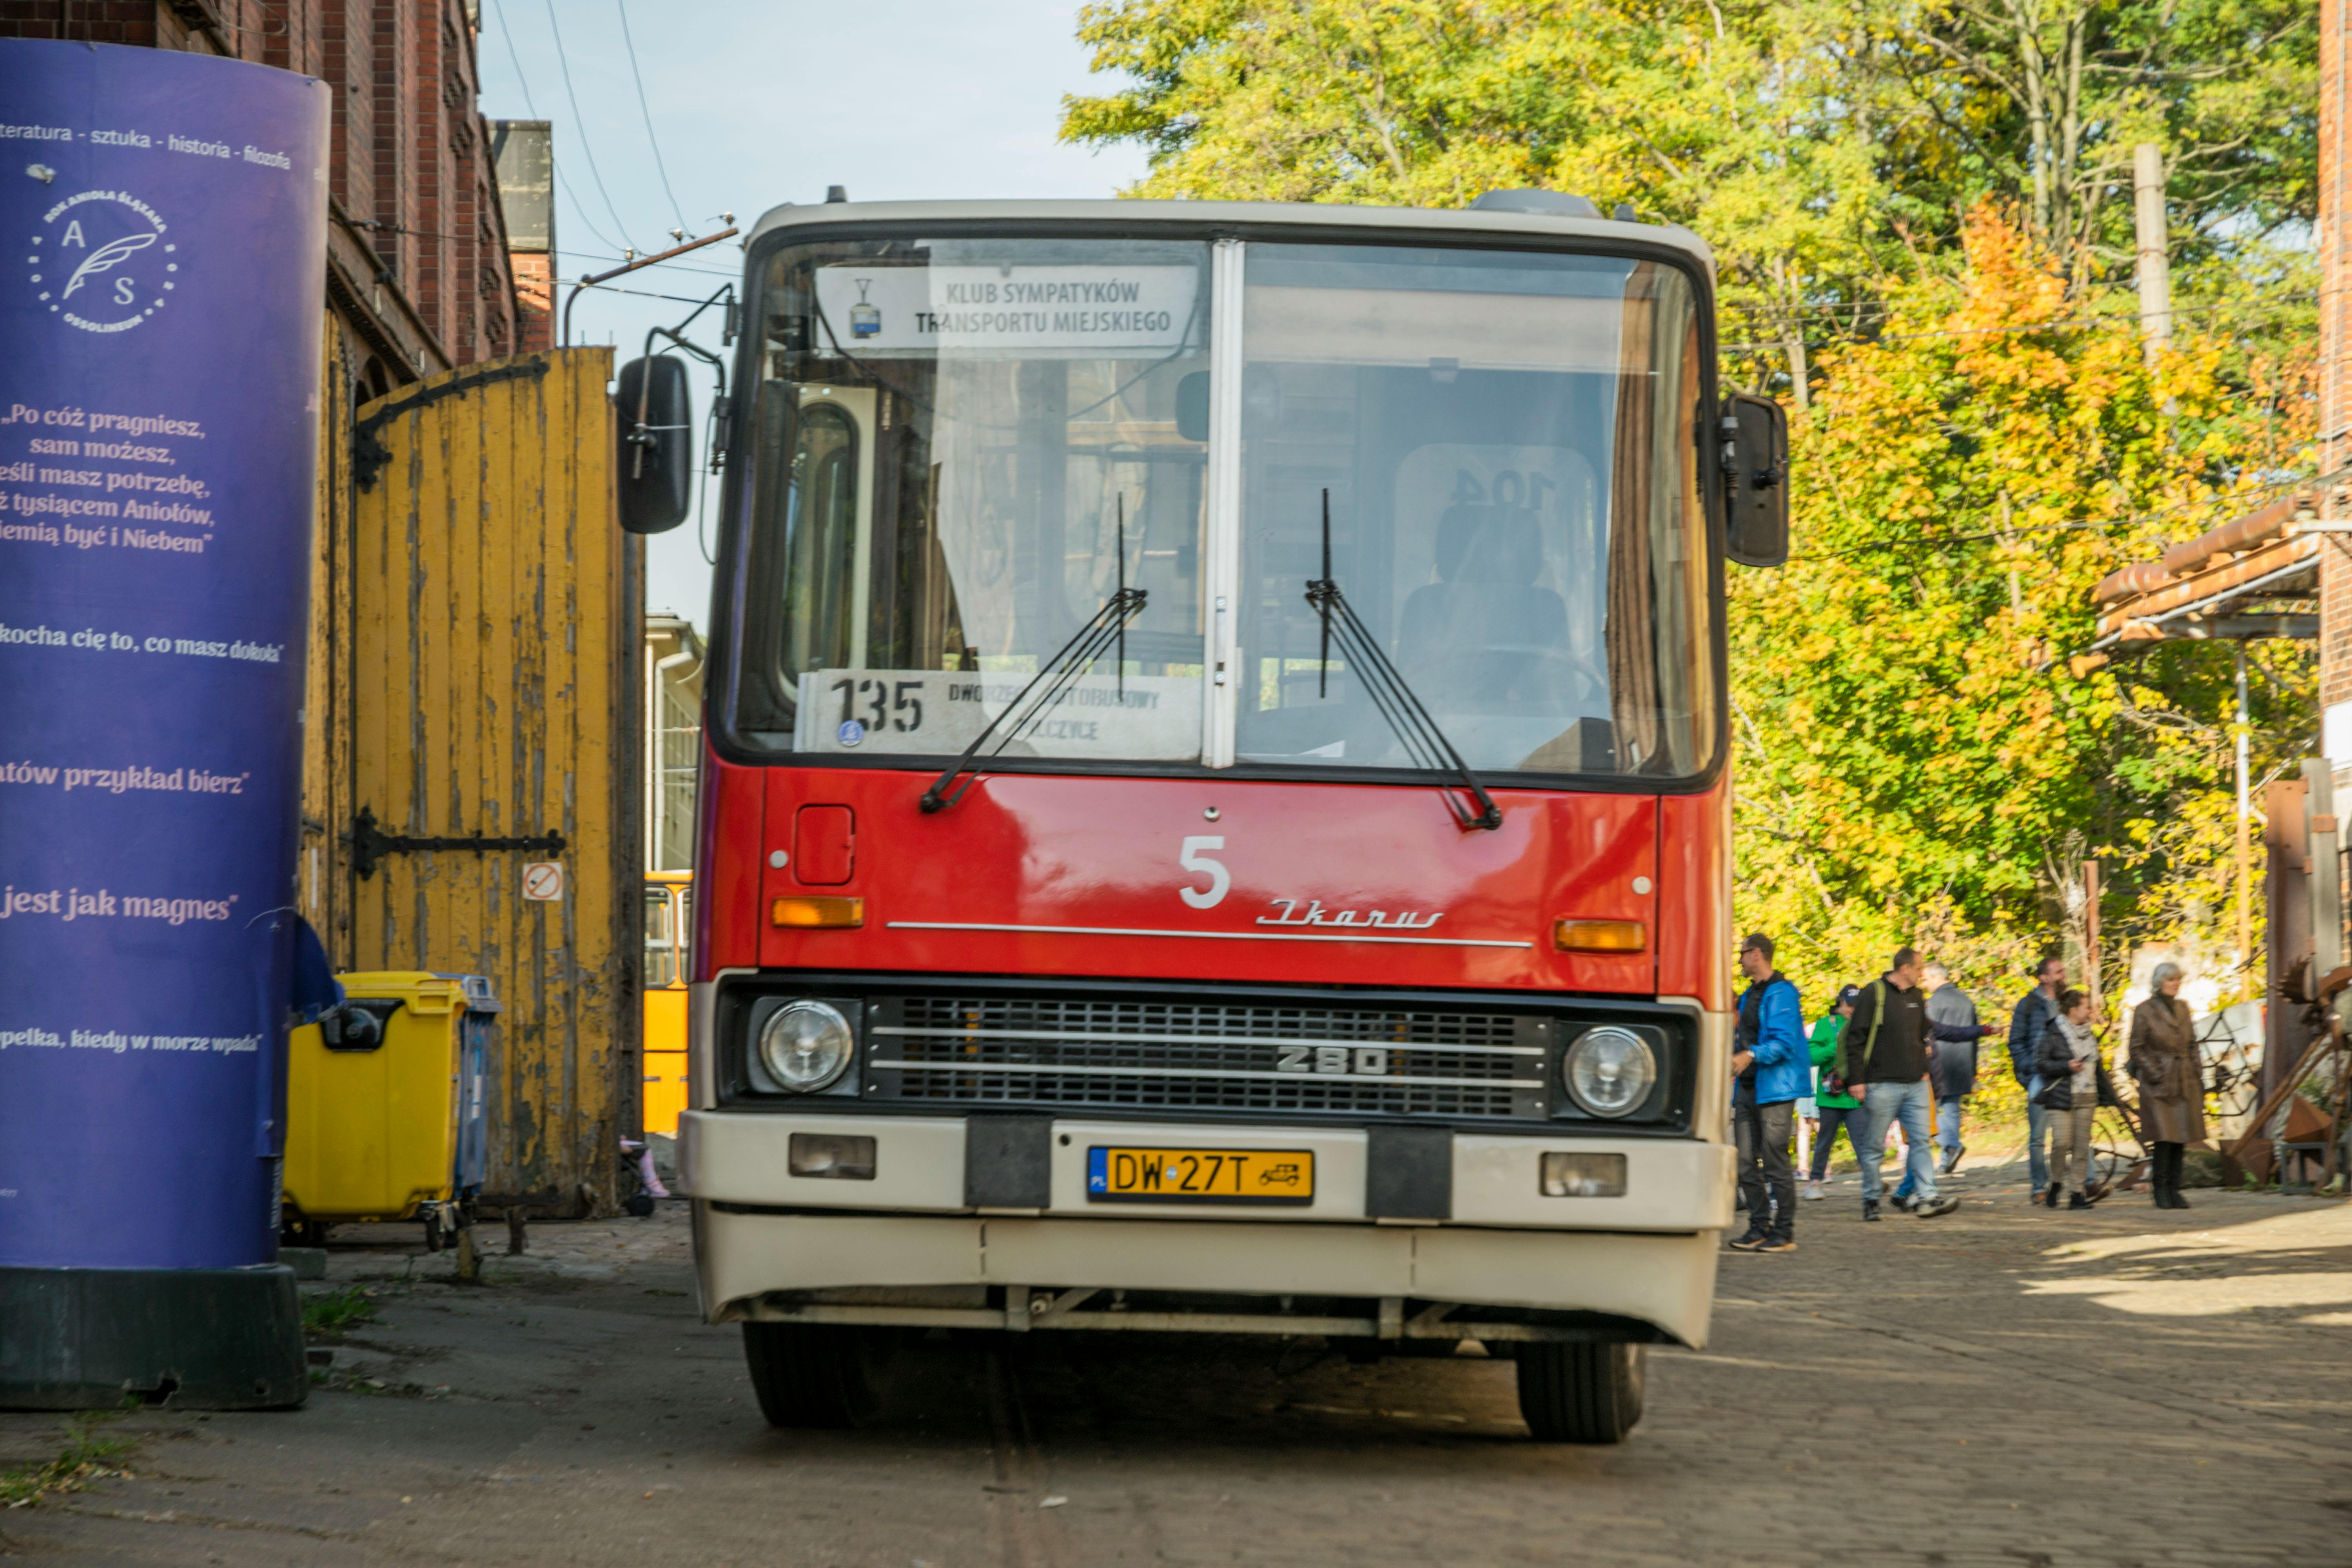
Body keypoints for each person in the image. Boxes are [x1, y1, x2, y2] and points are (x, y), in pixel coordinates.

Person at [1842, 947, 1960, 1221]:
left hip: (1916, 1085)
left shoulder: (1918, 996)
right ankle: (1871, 1199)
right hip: (1881, 1085)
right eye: (1919, 969)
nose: (1922, 974)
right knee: (1874, 1148)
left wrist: (1924, 1070)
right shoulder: (1874, 993)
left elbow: (1923, 1036)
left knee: (1920, 1141)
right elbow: (1856, 1038)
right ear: (1905, 969)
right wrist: (1856, 1080)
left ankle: (1928, 1198)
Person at [1728, 933, 1807, 1252]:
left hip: (1776, 1089)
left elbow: (1785, 1043)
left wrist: (1752, 1055)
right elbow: (1743, 1037)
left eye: (1743, 954)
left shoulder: (1783, 993)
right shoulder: (1749, 996)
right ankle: (1759, 1227)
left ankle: (1784, 1232)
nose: (1741, 960)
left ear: (1757, 954)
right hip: (1747, 1088)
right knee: (1745, 1163)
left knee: (1775, 1162)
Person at [2128, 961, 2207, 1210]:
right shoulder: (2144, 1010)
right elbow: (2136, 1049)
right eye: (2171, 980)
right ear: (2159, 982)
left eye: (2178, 980)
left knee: (2181, 1137)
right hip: (2159, 1082)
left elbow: (2193, 1043)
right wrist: (2156, 1073)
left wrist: (2197, 1070)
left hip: (2184, 1078)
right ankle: (2160, 1189)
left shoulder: (2184, 1008)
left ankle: (2175, 1189)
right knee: (2164, 1138)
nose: (2176, 984)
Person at [2034, 988, 2102, 1209]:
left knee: (2082, 1148)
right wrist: (2066, 1066)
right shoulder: (2053, 1032)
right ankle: (2055, 1183)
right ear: (2074, 1010)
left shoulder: (2090, 1034)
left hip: (2087, 1095)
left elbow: (2097, 1067)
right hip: (2061, 1094)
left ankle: (2077, 1194)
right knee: (2061, 1143)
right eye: (2086, 1007)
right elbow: (2041, 1063)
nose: (2090, 1011)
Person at [1924, 962, 1994, 1174]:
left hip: (1939, 1064)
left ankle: (1950, 1146)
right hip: (1962, 1063)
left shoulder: (1933, 1002)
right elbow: (1973, 1035)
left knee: (1929, 1111)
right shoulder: (1966, 999)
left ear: (1937, 978)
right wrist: (1973, 1068)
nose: (1924, 983)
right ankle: (1947, 1160)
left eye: (1926, 978)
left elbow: (1931, 1034)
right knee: (1952, 1111)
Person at [2008, 955, 2067, 1200]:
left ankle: (2088, 1182)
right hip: (2040, 1077)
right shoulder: (2028, 1005)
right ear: (2044, 978)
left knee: (2072, 1134)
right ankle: (2039, 1188)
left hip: (2067, 1074)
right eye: (2059, 972)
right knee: (2038, 1137)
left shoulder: (2069, 1001)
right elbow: (2015, 1041)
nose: (2064, 975)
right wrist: (2029, 1069)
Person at [1804, 985, 1863, 1200]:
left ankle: (1872, 1181)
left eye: (1858, 1006)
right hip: (1831, 1097)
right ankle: (1814, 1183)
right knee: (1824, 1142)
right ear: (1840, 1003)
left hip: (1856, 1097)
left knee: (1863, 1141)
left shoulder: (1865, 1025)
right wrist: (1835, 1048)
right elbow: (1810, 1056)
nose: (1853, 1010)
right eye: (1850, 1005)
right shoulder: (1824, 1025)